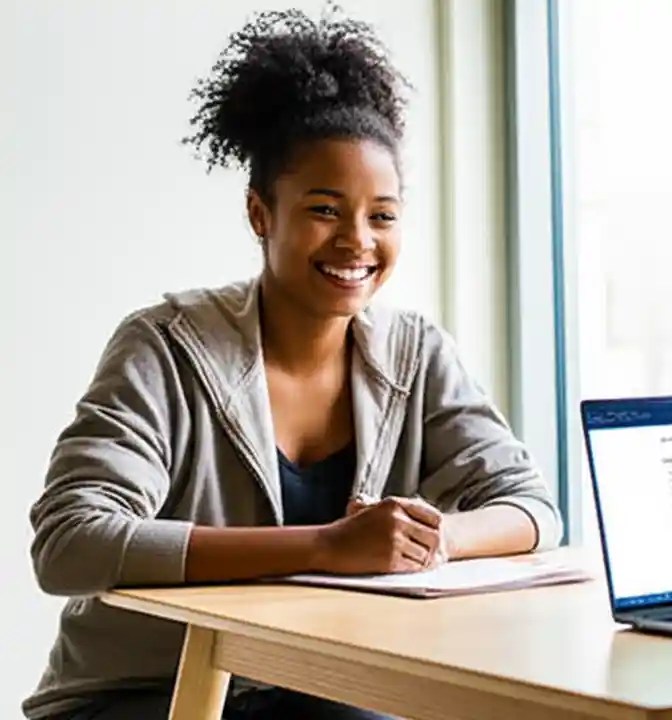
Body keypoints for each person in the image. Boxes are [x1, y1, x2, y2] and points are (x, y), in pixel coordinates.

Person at [24, 7, 560, 719]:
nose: (357, 241)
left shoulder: (417, 352)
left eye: (384, 215)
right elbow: (71, 543)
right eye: (325, 209)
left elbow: (531, 510)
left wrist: (424, 539)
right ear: (259, 213)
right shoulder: (164, 345)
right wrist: (328, 546)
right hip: (140, 695)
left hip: (318, 688)